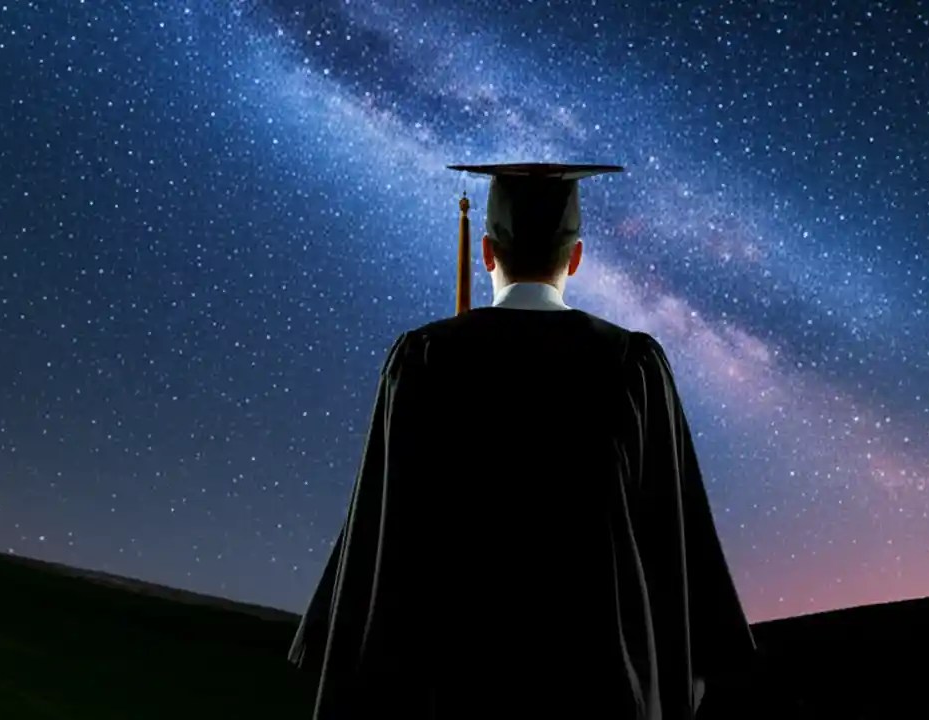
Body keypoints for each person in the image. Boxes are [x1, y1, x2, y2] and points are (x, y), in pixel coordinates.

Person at [288, 163, 761, 719]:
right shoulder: (632, 365)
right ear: (576, 258)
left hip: (452, 688)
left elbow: (383, 531)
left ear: (486, 252)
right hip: (599, 691)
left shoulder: (424, 359)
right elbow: (674, 543)